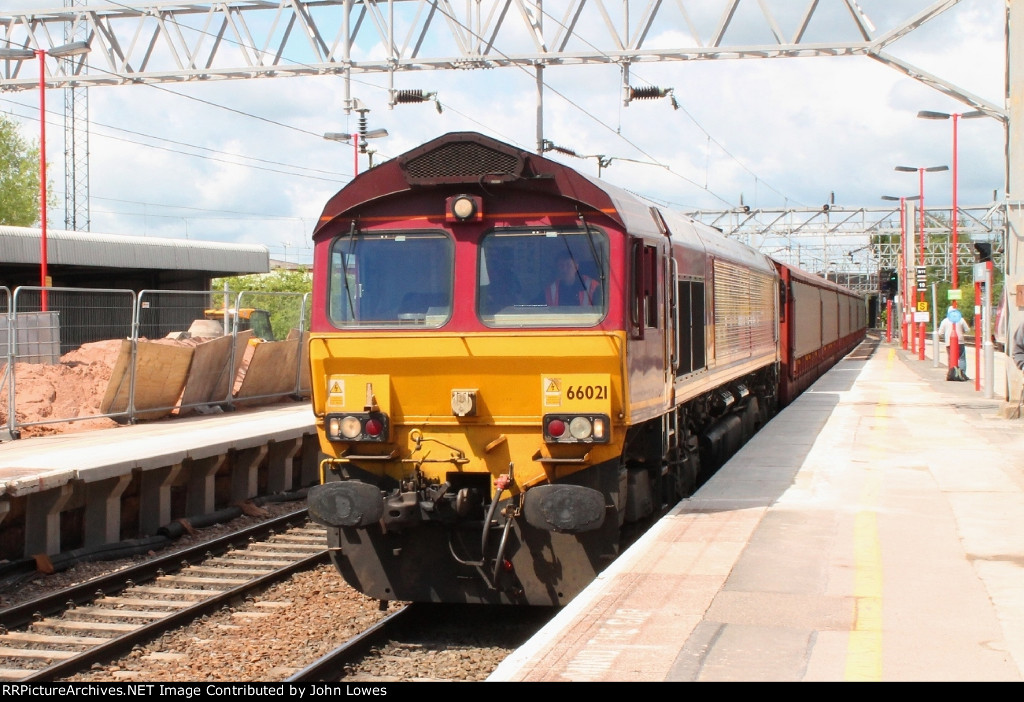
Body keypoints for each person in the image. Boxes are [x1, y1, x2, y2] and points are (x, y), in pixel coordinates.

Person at [937, 307, 971, 380]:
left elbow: (940, 333)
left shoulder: (945, 321)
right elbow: (967, 330)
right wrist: (961, 331)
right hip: (960, 342)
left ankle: (952, 373)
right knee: (962, 359)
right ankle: (962, 374)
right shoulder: (961, 320)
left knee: (951, 358)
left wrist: (945, 336)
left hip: (949, 343)